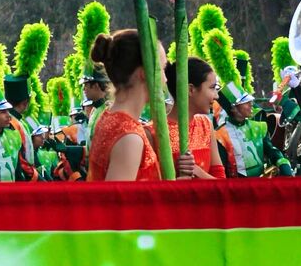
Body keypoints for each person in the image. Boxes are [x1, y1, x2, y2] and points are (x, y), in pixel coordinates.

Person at [86, 28, 198, 181]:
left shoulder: (108, 119)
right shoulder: (129, 138)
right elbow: (117, 203)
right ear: (144, 73)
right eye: (162, 69)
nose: (165, 79)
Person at [165, 58, 227, 178]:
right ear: (190, 89)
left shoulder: (205, 125)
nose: (216, 96)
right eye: (212, 87)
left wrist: (198, 172)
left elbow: (220, 181)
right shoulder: (154, 132)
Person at [216, 83, 272, 178]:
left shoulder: (258, 126)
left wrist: (282, 162)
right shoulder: (220, 134)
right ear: (233, 108)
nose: (251, 104)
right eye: (245, 102)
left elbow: (271, 151)